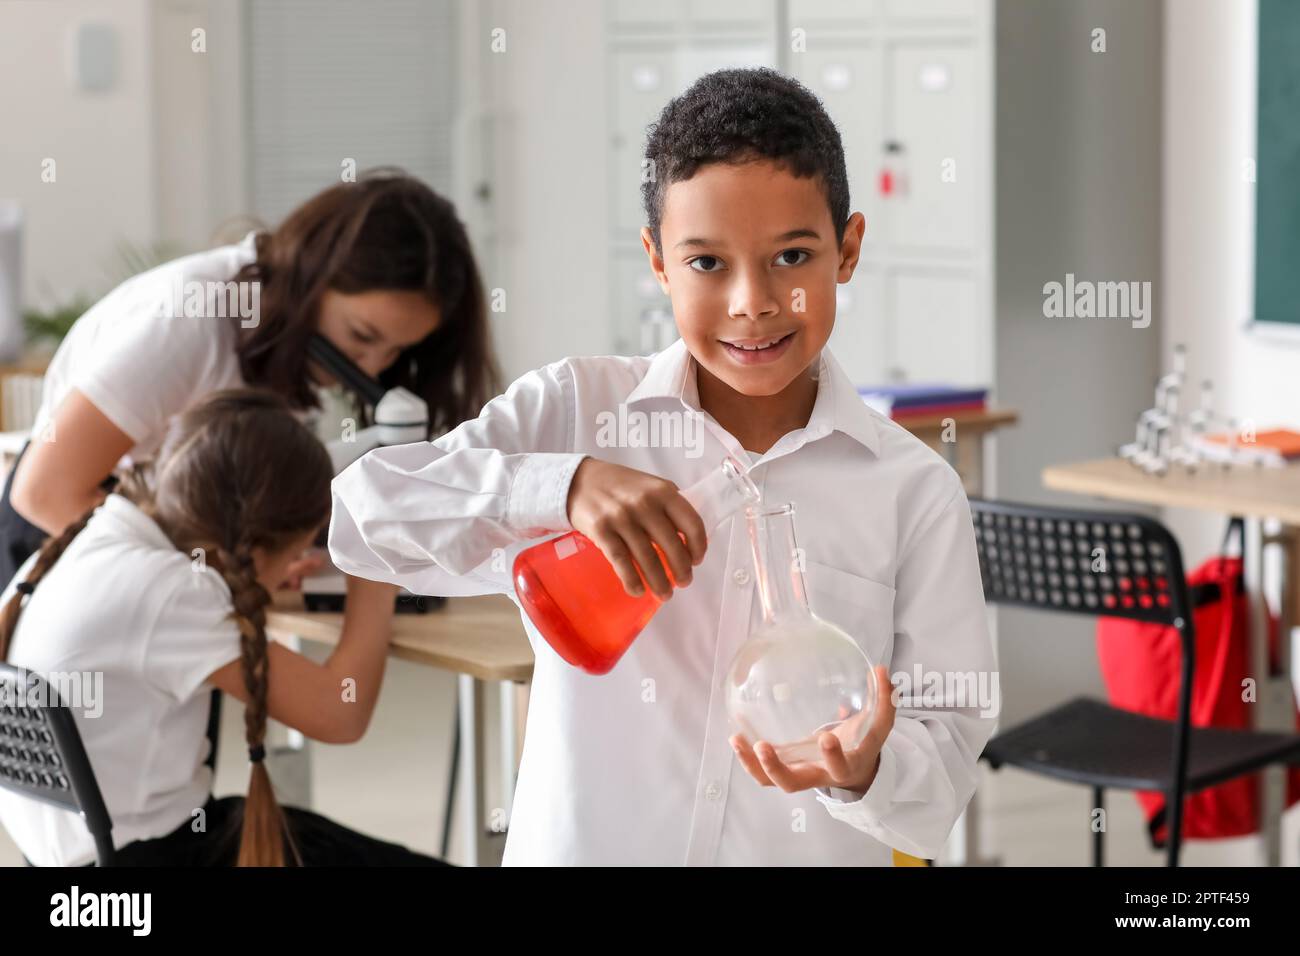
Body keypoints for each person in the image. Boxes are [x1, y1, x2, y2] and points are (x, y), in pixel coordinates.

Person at [329, 68, 999, 865]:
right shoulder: (576, 410)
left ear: (847, 250)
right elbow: (364, 522)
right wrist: (561, 484)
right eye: (707, 263)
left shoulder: (912, 491)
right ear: (657, 260)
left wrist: (865, 774)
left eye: (792, 255)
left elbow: (948, 754)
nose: (752, 301)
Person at [0, 169, 499, 594]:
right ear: (311, 277)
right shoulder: (188, 321)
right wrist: (217, 574)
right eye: (360, 336)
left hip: (150, 556)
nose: (369, 369)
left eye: (395, 352)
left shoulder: (287, 351)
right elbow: (47, 493)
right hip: (57, 543)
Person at [0, 390, 444, 866]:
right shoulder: (171, 590)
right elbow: (340, 711)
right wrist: (374, 577)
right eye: (293, 551)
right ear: (252, 552)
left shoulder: (99, 537)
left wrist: (261, 574)